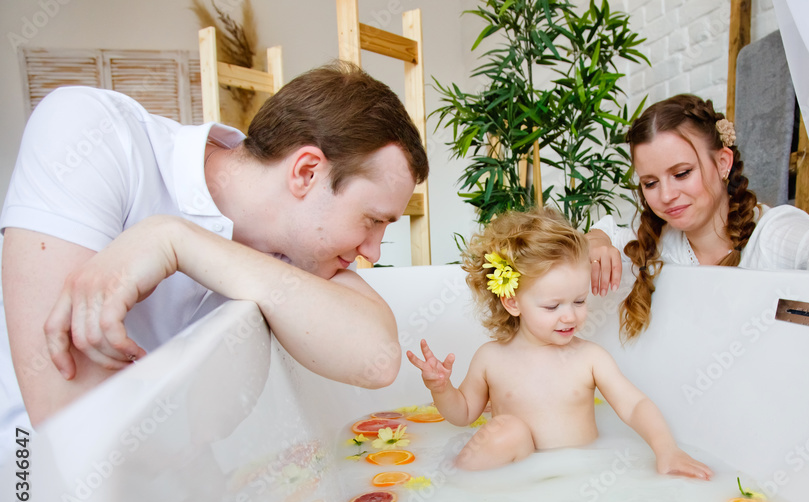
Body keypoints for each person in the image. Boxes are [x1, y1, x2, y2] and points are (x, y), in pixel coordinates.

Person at [0, 61, 428, 438]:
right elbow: (73, 423)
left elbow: (379, 359)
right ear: (307, 172)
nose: (371, 250)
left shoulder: (296, 248)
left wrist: (176, 242)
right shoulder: (94, 134)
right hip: (28, 501)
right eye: (372, 220)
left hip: (169, 499)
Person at [586, 93, 809, 340]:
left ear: (722, 163)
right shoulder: (660, 239)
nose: (665, 196)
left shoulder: (772, 234)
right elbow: (611, 237)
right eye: (650, 182)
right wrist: (596, 239)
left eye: (682, 174)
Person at [406, 208, 712, 478]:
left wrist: (666, 449)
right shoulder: (491, 358)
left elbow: (634, 406)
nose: (569, 316)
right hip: (515, 474)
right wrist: (442, 388)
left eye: (579, 301)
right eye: (553, 307)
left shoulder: (590, 358)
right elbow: (462, 415)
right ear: (512, 302)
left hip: (579, 475)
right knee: (507, 432)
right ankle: (456, 486)